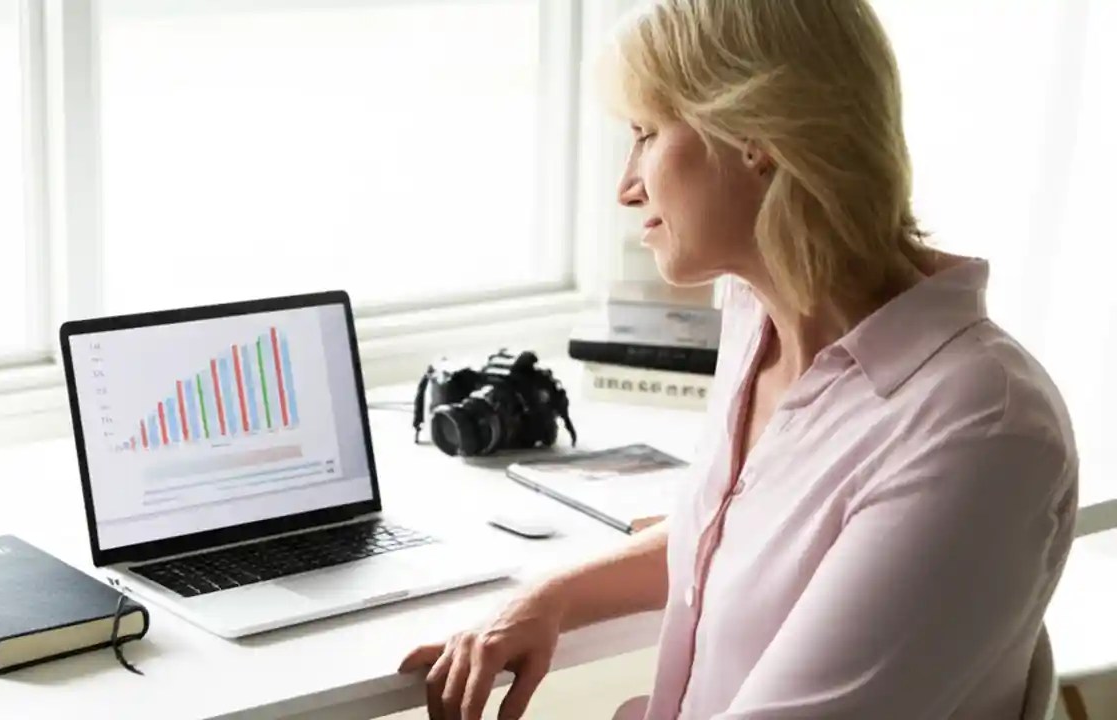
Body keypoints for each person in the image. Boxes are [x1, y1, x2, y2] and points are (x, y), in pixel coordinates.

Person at [398, 1, 1079, 718]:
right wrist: (550, 598)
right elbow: (732, 537)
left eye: (646, 134)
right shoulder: (757, 316)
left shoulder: (980, 429)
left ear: (755, 134)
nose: (627, 187)